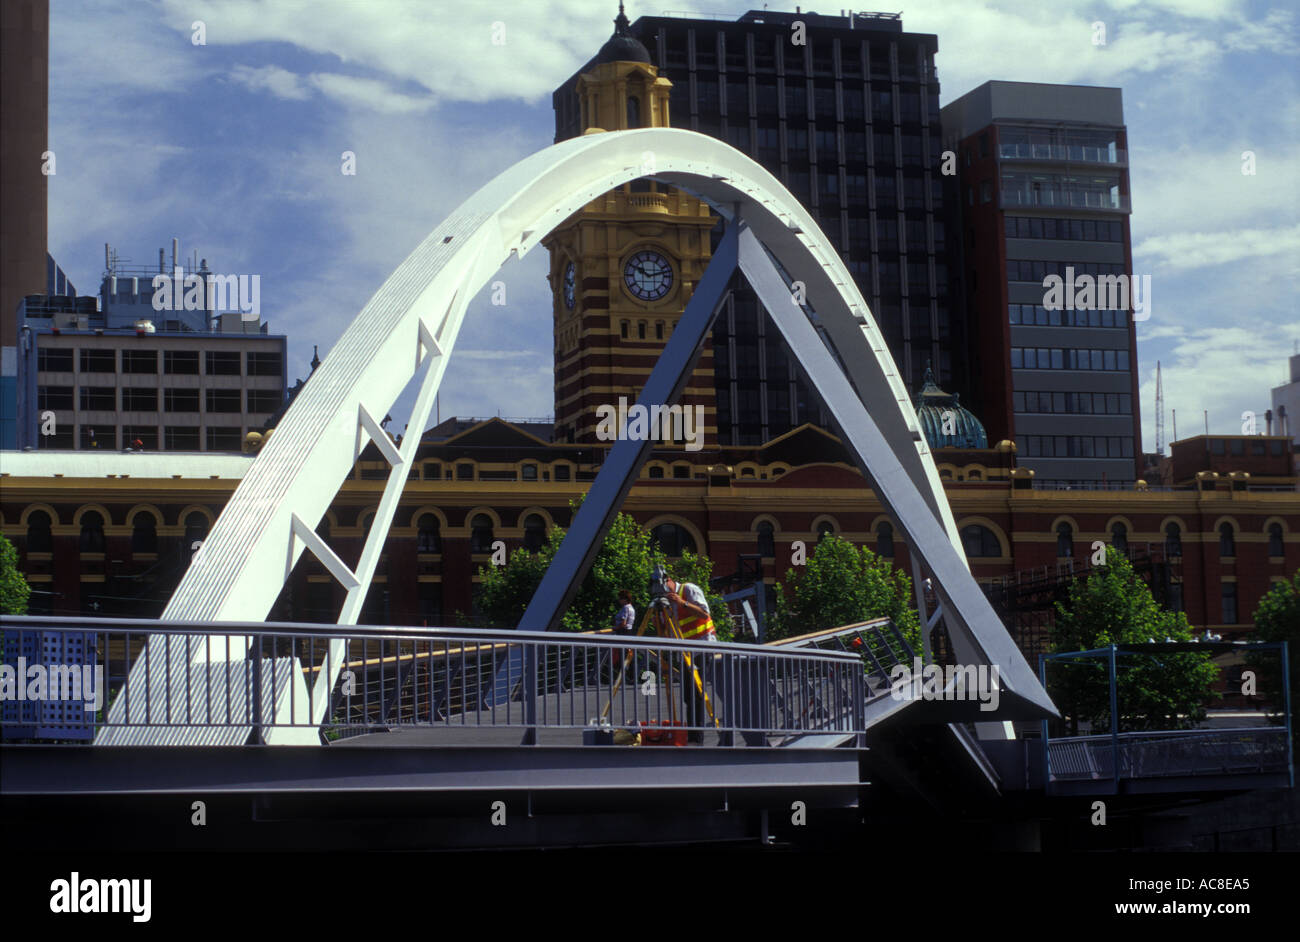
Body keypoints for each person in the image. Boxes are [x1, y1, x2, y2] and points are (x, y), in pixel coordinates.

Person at [661, 576, 716, 743]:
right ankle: (692, 735)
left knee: (696, 694)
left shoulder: (689, 590)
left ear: (669, 580)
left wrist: (681, 602)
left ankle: (696, 737)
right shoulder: (665, 603)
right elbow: (666, 630)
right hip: (684, 652)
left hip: (702, 647)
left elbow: (704, 613)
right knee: (688, 696)